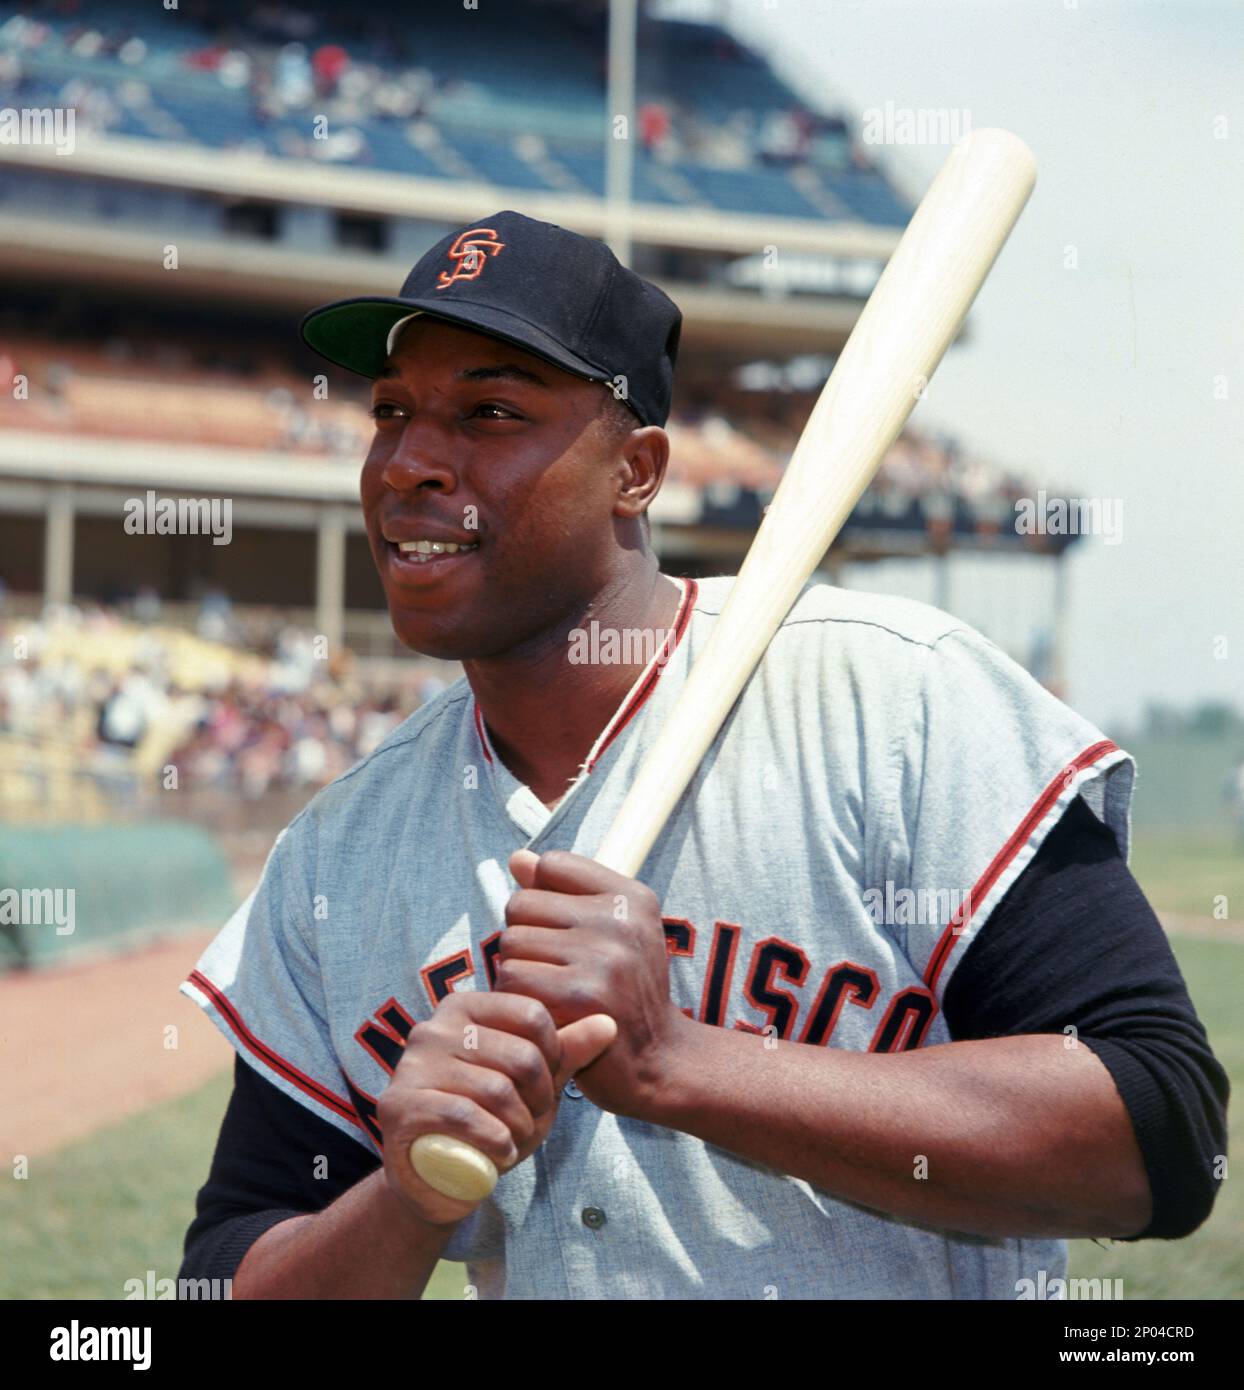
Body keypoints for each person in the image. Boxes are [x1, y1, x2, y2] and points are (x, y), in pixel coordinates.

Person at [178, 210, 1227, 1300]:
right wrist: (406, 1200)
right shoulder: (339, 853)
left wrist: (679, 1064)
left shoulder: (890, 697)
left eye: (488, 412)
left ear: (636, 471)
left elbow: (1157, 1133)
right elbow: (230, 1278)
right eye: (391, 413)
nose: (408, 463)